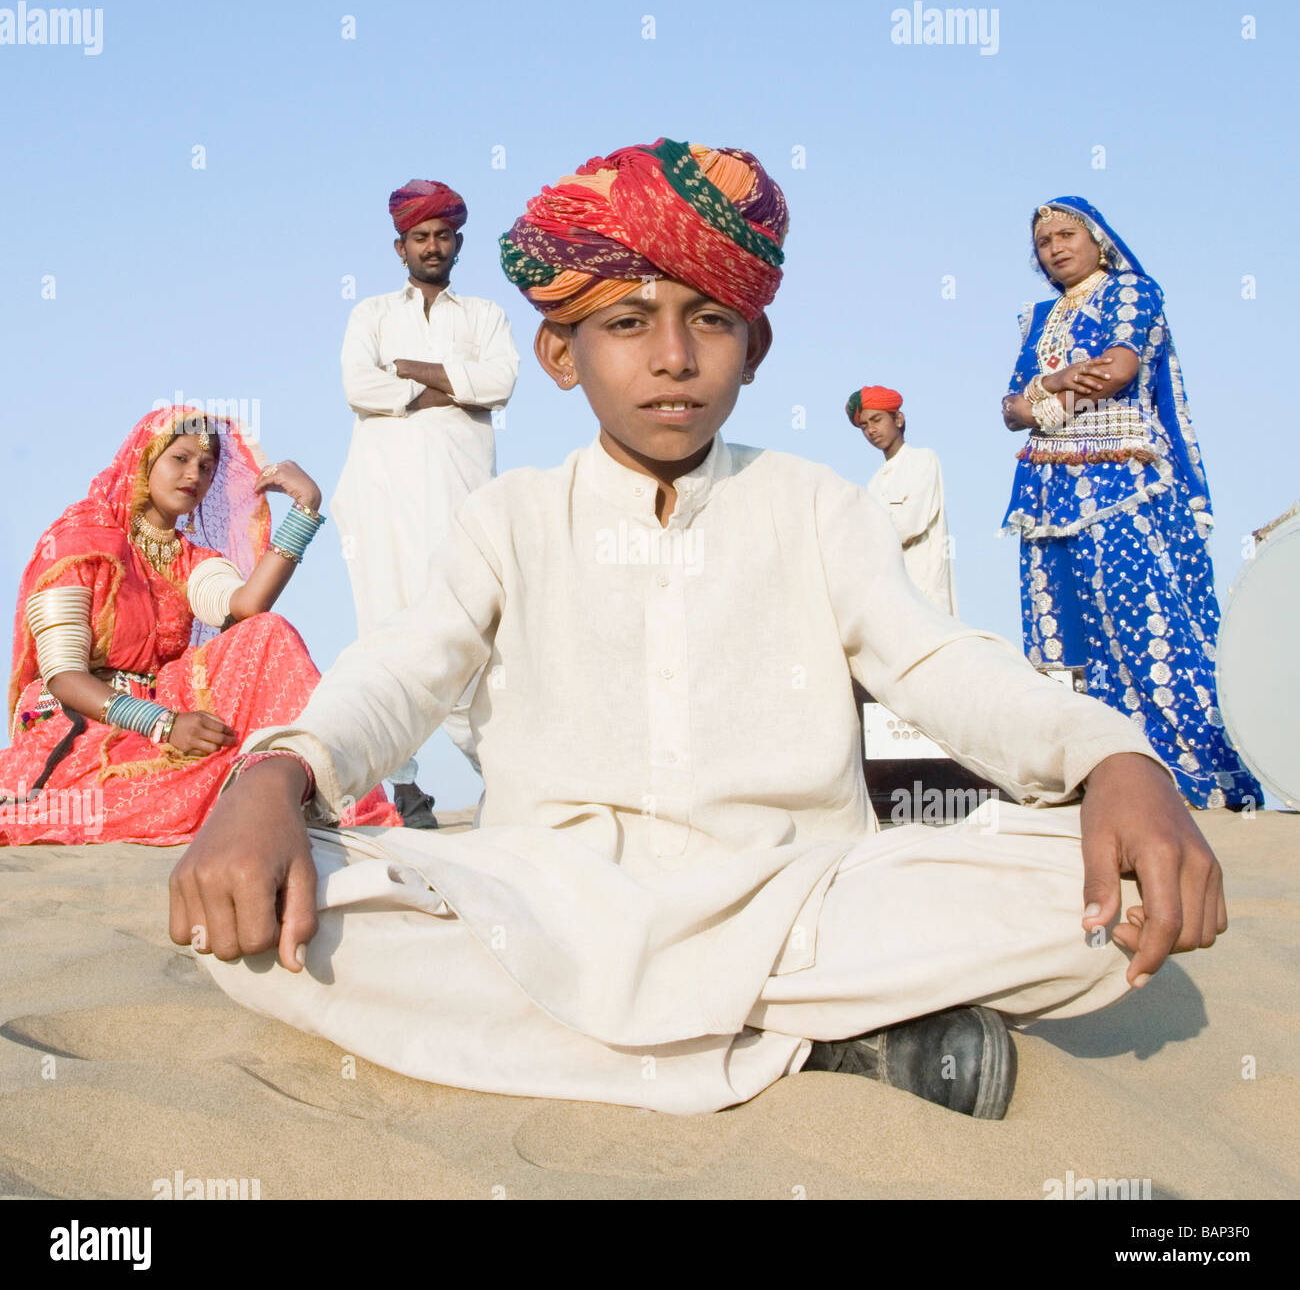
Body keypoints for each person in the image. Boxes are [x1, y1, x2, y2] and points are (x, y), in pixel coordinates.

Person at [171, 142, 1225, 1122]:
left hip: (798, 901)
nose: (673, 357)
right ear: (560, 352)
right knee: (247, 929)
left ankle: (623, 1044)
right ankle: (819, 1046)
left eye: (709, 320)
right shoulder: (508, 519)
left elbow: (935, 660)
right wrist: (278, 775)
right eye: (629, 323)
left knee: (1113, 899)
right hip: (550, 900)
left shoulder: (816, 505)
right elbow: (402, 672)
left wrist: (1111, 758)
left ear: (752, 348)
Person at [0, 406, 398, 846]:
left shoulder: (190, 559)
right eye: (180, 458)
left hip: (166, 709)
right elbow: (63, 677)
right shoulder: (81, 539)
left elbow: (248, 608)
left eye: (207, 467)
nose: (194, 474)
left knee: (266, 633)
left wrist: (305, 509)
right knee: (135, 801)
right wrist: (165, 724)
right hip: (85, 717)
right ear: (145, 459)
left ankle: (342, 798)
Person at [1001, 198, 1261, 809]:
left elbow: (1117, 369)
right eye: (1044, 242)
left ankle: (1192, 775)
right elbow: (1009, 409)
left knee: (1146, 620)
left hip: (1124, 476)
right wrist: (1058, 382)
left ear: (1099, 241)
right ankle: (1094, 777)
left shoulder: (1131, 292)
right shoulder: (1036, 317)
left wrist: (1045, 400)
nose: (1055, 248)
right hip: (1047, 489)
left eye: (1067, 235)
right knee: (1060, 633)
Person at [330, 179, 520, 829]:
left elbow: (501, 381)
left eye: (442, 236)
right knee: (386, 633)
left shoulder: (484, 315)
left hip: (459, 494)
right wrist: (454, 388)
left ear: (458, 242)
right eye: (420, 237)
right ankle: (405, 793)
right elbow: (359, 386)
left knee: (467, 636)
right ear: (400, 247)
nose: (431, 246)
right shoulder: (372, 315)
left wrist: (413, 369)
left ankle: (510, 783)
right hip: (380, 498)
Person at [847, 384, 957, 614]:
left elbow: (908, 525)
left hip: (925, 591)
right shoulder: (875, 482)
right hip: (890, 594)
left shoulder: (923, 459)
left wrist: (866, 539)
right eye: (864, 426)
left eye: (876, 420)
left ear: (898, 419)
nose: (871, 430)